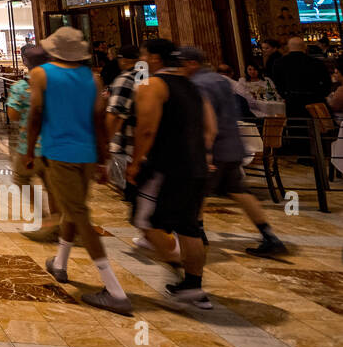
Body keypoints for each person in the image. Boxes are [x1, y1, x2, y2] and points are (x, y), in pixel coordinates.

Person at [27, 27, 130, 315]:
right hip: (86, 155)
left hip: (59, 153)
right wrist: (102, 158)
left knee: (79, 214)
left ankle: (115, 290)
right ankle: (60, 263)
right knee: (73, 210)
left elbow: (36, 115)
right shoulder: (92, 78)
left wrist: (28, 150)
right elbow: (99, 119)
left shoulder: (42, 74)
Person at [128, 39, 216, 307]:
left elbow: (146, 129)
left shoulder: (153, 85)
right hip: (196, 166)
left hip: (166, 167)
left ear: (155, 58)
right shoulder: (193, 87)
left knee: (144, 220)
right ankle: (193, 286)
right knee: (189, 227)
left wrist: (136, 161)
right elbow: (211, 129)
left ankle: (174, 261)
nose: (142, 60)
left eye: (144, 55)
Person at [180, 47, 286, 257]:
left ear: (192, 63)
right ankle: (269, 236)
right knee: (239, 191)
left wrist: (205, 151)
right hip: (232, 145)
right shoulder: (221, 80)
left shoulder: (199, 85)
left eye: (181, 64)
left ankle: (197, 236)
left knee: (195, 193)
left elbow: (204, 120)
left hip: (214, 148)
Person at [6, 44, 61, 241]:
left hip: (30, 145)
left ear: (25, 62)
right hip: (57, 144)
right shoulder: (59, 85)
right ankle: (57, 223)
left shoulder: (22, 87)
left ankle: (46, 219)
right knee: (52, 185)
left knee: (21, 178)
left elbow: (13, 115)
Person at [104, 45, 140, 197]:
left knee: (127, 190)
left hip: (125, 143)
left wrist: (105, 141)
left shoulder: (125, 79)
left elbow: (115, 114)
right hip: (141, 145)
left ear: (123, 60)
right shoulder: (145, 76)